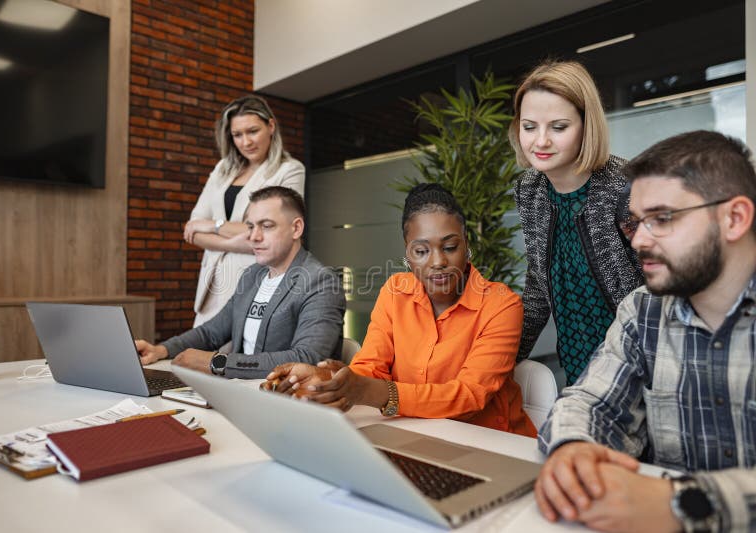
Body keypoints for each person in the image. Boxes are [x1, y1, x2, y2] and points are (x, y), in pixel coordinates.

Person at [535, 131, 756, 532]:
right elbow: (590, 402)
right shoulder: (643, 309)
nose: (637, 240)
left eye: (662, 218)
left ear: (734, 218)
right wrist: (574, 448)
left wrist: (681, 503)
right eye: (635, 222)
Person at [264, 184, 536, 437]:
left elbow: (468, 396)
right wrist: (324, 379)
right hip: (415, 434)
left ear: (467, 246)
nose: (438, 261)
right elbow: (369, 368)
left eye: (450, 247)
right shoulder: (395, 291)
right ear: (407, 255)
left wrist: (374, 392)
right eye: (421, 251)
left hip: (493, 445)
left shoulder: (501, 304)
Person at [509, 60, 642, 385]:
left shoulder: (625, 184)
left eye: (558, 127)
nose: (540, 141)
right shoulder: (530, 190)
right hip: (577, 368)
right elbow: (540, 285)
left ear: (587, 125)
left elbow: (662, 286)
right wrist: (502, 363)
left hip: (640, 369)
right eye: (529, 127)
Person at [136, 186, 345, 379]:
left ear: (296, 228)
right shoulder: (253, 274)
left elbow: (306, 358)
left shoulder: (321, 282)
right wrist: (160, 350)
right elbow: (211, 332)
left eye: (267, 226)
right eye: (251, 226)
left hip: (283, 404)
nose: (254, 237)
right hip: (237, 393)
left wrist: (217, 362)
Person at [183, 94, 305, 327]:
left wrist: (213, 226)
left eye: (252, 131)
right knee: (196, 357)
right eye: (237, 135)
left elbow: (277, 234)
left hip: (255, 283)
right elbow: (192, 228)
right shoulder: (223, 170)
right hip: (210, 290)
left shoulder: (289, 170)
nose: (246, 142)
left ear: (271, 126)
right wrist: (236, 240)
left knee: (234, 361)